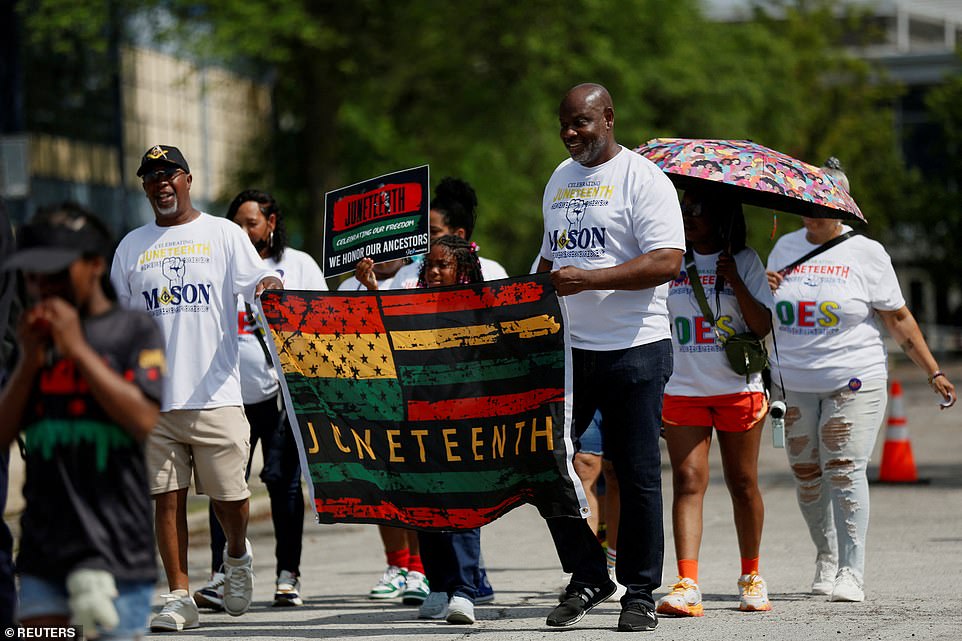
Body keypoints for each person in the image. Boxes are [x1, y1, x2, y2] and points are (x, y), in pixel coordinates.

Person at [765, 157, 956, 603]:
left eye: (822, 204)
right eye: (804, 203)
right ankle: (826, 557)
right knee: (807, 474)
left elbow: (899, 317)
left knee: (845, 469)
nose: (811, 213)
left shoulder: (867, 253)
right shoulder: (784, 249)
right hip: (792, 383)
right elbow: (766, 312)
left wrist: (934, 370)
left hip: (853, 380)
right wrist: (765, 287)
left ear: (844, 206)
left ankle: (852, 571)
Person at [110, 145, 283, 631]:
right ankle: (179, 594)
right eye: (151, 178)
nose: (160, 183)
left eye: (169, 175)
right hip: (155, 399)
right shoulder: (130, 247)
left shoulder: (223, 234)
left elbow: (259, 281)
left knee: (232, 497)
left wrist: (268, 288)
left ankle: (236, 556)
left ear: (187, 180)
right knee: (166, 497)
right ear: (144, 188)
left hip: (216, 393)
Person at [537, 83, 685, 632]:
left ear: (609, 118)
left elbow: (668, 260)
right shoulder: (558, 178)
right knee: (547, 467)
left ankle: (640, 592)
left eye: (581, 122)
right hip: (571, 352)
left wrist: (591, 280)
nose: (571, 133)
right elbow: (550, 258)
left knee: (639, 475)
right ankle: (589, 575)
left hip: (635, 349)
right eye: (565, 124)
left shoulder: (644, 179)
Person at [0, 203, 165, 639]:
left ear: (94, 266)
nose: (40, 286)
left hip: (117, 559)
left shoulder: (133, 330)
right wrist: (29, 362)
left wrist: (77, 348)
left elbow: (143, 418)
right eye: (31, 276)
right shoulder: (30, 337)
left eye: (54, 273)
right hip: (42, 559)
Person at [362, 177, 503, 607]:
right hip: (419, 416)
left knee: (460, 503)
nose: (433, 269)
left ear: (463, 266)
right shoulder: (412, 298)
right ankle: (439, 585)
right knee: (425, 502)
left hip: (465, 416)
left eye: (442, 264)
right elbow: (386, 334)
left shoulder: (479, 298)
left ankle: (465, 587)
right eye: (429, 266)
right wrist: (371, 291)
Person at [192, 190, 325, 611]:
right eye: (237, 224)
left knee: (283, 486)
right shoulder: (217, 263)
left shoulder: (299, 264)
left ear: (271, 222)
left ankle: (288, 575)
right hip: (228, 397)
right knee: (225, 488)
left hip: (279, 398)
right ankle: (221, 575)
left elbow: (324, 319)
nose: (243, 232)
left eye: (251, 223)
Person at [657, 190, 774, 617]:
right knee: (687, 481)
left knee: (743, 484)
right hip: (683, 387)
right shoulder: (669, 260)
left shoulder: (745, 260)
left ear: (721, 215)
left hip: (736, 389)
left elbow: (761, 326)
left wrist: (735, 279)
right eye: (683, 209)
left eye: (696, 208)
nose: (688, 215)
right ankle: (687, 583)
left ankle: (751, 577)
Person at [391, 176, 508, 289]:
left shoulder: (492, 272)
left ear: (459, 235)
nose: (425, 236)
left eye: (433, 231)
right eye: (424, 231)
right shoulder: (405, 275)